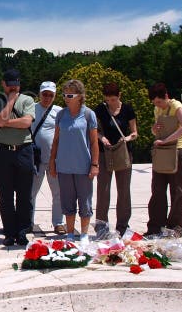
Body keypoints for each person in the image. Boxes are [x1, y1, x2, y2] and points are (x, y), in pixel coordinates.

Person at [0, 69, 36, 246]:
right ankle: (9, 232)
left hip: (24, 150)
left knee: (24, 195)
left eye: (15, 85)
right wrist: (10, 102)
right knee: (5, 196)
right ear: (3, 84)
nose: (13, 88)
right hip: (3, 152)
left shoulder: (28, 100)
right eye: (9, 85)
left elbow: (27, 122)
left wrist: (4, 122)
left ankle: (22, 231)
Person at [48, 79, 99, 243]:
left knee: (85, 202)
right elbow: (56, 140)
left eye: (70, 95)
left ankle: (83, 234)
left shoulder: (89, 114)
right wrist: (52, 162)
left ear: (80, 96)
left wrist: (95, 164)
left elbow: (93, 142)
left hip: (83, 166)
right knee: (67, 202)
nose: (66, 98)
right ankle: (70, 233)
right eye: (64, 95)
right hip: (64, 166)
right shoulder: (61, 115)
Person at [146, 83, 182, 237]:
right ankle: (156, 226)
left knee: (177, 190)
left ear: (166, 96)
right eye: (155, 103)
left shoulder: (175, 105)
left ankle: (176, 227)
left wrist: (166, 140)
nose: (157, 105)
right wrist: (155, 129)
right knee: (157, 189)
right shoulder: (157, 109)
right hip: (162, 152)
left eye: (159, 101)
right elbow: (155, 130)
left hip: (178, 150)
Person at [94, 82, 138, 236]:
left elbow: (134, 132)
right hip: (105, 152)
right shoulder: (100, 109)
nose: (110, 103)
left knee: (124, 189)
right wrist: (102, 137)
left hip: (122, 152)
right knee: (103, 189)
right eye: (107, 100)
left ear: (119, 96)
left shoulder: (127, 109)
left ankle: (123, 225)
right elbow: (93, 130)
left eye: (113, 99)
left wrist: (126, 138)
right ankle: (101, 225)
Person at [30, 82, 66, 235]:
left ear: (55, 96)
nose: (47, 97)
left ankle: (58, 223)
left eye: (50, 95)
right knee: (31, 193)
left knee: (58, 193)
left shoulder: (60, 112)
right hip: (35, 158)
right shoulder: (31, 109)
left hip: (54, 159)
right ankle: (28, 222)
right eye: (45, 94)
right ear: (40, 94)